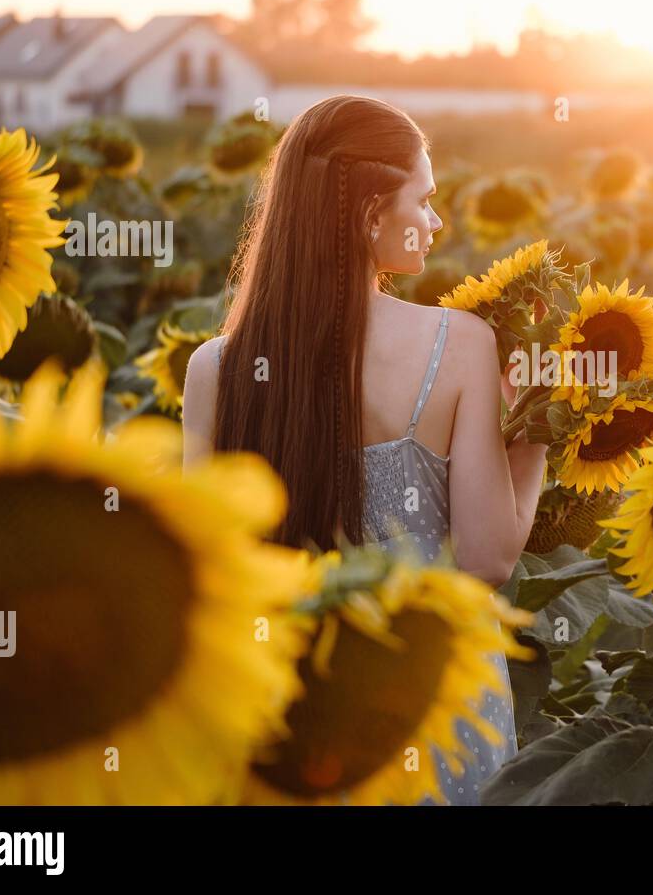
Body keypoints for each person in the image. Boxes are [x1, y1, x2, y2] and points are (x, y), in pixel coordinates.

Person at [181, 94, 547, 804]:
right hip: (430, 704)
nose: (436, 222)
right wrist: (530, 443)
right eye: (426, 199)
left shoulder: (215, 370)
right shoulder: (460, 345)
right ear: (372, 211)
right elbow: (486, 561)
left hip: (284, 721)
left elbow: (212, 577)